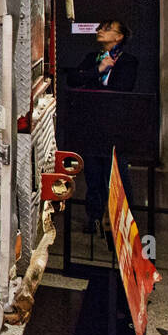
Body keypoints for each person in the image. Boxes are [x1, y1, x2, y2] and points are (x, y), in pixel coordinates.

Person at [66, 19, 138, 232]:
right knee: (93, 175)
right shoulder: (93, 58)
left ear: (119, 36)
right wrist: (98, 70)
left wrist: (94, 80)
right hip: (91, 127)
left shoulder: (128, 61)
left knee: (116, 173)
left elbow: (123, 88)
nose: (99, 31)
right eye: (100, 28)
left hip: (114, 127)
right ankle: (94, 218)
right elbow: (73, 79)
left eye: (106, 29)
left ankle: (122, 221)